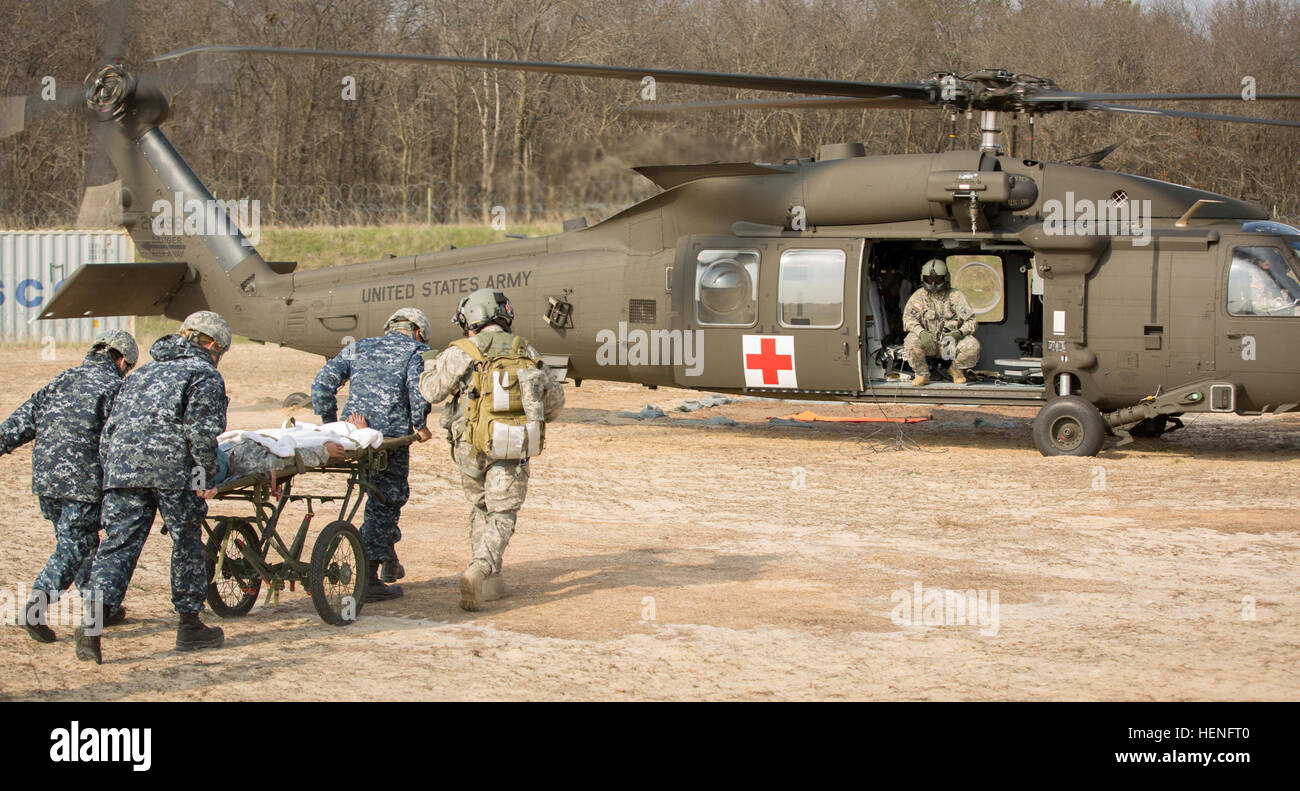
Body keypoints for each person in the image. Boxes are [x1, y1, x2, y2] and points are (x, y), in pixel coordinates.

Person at [74, 311, 232, 663]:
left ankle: (91, 625)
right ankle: (190, 626)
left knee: (117, 546)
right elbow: (202, 433)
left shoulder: (140, 373)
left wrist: (111, 473)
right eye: (220, 349)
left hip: (122, 470)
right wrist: (206, 476)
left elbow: (110, 430)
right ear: (209, 343)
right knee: (187, 540)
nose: (219, 356)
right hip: (173, 471)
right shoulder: (203, 374)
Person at [419, 288, 565, 612]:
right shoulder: (524, 349)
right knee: (502, 512)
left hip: (469, 447)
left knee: (481, 506)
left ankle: (489, 583)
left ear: (471, 318)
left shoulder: (462, 351)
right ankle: (481, 569)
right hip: (510, 445)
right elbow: (554, 403)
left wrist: (430, 365)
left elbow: (431, 391)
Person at [0, 330, 138, 643]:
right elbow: (122, 440)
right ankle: (33, 610)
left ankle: (100, 606)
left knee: (77, 544)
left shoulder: (59, 381)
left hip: (46, 483)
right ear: (121, 360)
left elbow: (18, 425)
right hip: (83, 484)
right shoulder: (115, 388)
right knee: (73, 547)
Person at [312, 307, 432, 601]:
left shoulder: (357, 346)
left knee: (371, 495)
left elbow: (321, 386)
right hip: (389, 441)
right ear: (417, 331)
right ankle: (370, 579)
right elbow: (418, 394)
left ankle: (388, 560)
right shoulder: (416, 352)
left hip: (353, 436)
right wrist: (421, 424)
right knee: (386, 501)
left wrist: (333, 427)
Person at [902, 259, 981, 386]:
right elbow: (908, 319)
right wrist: (921, 332)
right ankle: (922, 374)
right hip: (929, 343)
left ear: (945, 278)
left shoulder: (956, 296)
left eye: (938, 279)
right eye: (929, 279)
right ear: (923, 278)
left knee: (972, 345)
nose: (933, 283)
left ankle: (956, 370)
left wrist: (958, 333)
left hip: (951, 343)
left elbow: (971, 321)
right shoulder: (919, 297)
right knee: (911, 341)